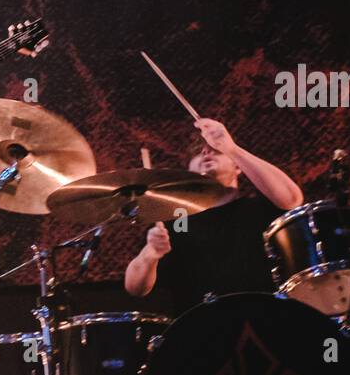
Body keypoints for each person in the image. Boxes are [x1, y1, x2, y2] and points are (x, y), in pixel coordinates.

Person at [124, 118, 304, 316]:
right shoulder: (180, 220)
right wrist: (150, 254)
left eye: (215, 150)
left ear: (238, 167)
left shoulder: (258, 207)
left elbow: (292, 199)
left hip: (265, 318)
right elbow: (135, 287)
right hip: (202, 329)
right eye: (198, 152)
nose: (206, 152)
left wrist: (231, 148)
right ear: (189, 174)